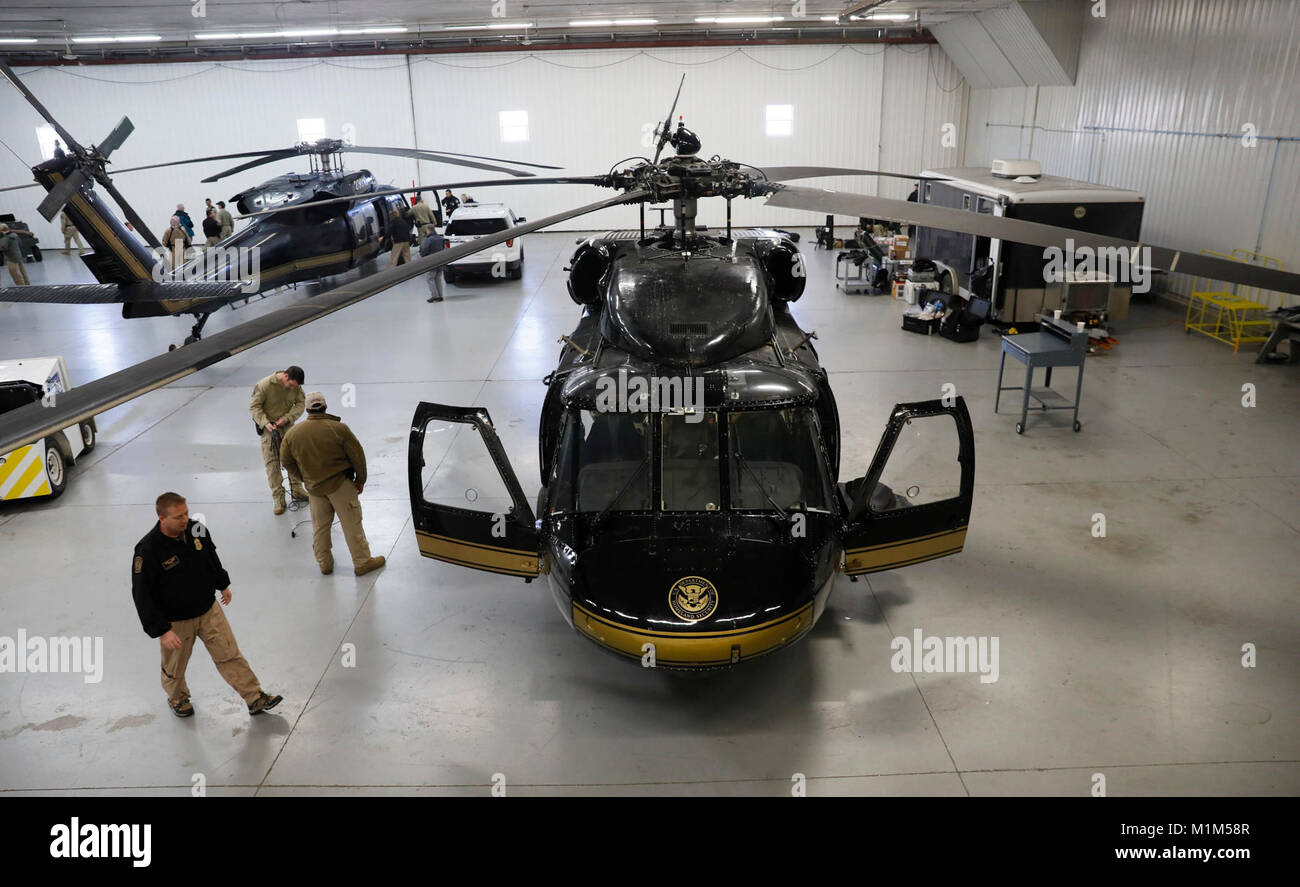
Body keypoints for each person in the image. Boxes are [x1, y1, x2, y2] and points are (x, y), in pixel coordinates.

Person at [132, 492, 283, 718]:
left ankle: (254, 697)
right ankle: (177, 697)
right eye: (178, 517)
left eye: (186, 513)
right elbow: (142, 595)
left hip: (208, 609)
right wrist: (162, 630)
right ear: (161, 518)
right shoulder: (147, 550)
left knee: (229, 653)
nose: (185, 520)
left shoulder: (196, 530)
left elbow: (211, 557)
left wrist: (222, 584)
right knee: (175, 667)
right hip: (176, 621)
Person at [279, 392, 386, 577]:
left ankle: (325, 564)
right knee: (352, 524)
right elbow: (357, 457)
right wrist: (360, 480)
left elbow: (285, 460)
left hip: (315, 488)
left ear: (307, 409)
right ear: (325, 407)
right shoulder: (339, 429)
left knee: (320, 528)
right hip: (340, 485)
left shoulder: (293, 434)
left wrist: (304, 477)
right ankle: (362, 562)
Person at [249, 366, 309, 514]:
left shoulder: (295, 387)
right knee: (272, 464)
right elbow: (254, 407)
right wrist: (265, 423)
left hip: (287, 427)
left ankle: (297, 489)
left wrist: (287, 418)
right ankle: (278, 498)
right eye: (291, 385)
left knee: (295, 459)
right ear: (286, 376)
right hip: (270, 430)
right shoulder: (264, 385)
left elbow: (301, 403)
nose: (292, 389)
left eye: (295, 387)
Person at [420, 227, 447, 302]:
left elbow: (424, 250)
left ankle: (434, 296)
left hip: (431, 262)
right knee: (438, 279)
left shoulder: (429, 239)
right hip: (440, 262)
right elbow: (444, 249)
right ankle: (440, 296)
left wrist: (422, 255)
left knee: (430, 278)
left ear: (428, 231)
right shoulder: (441, 238)